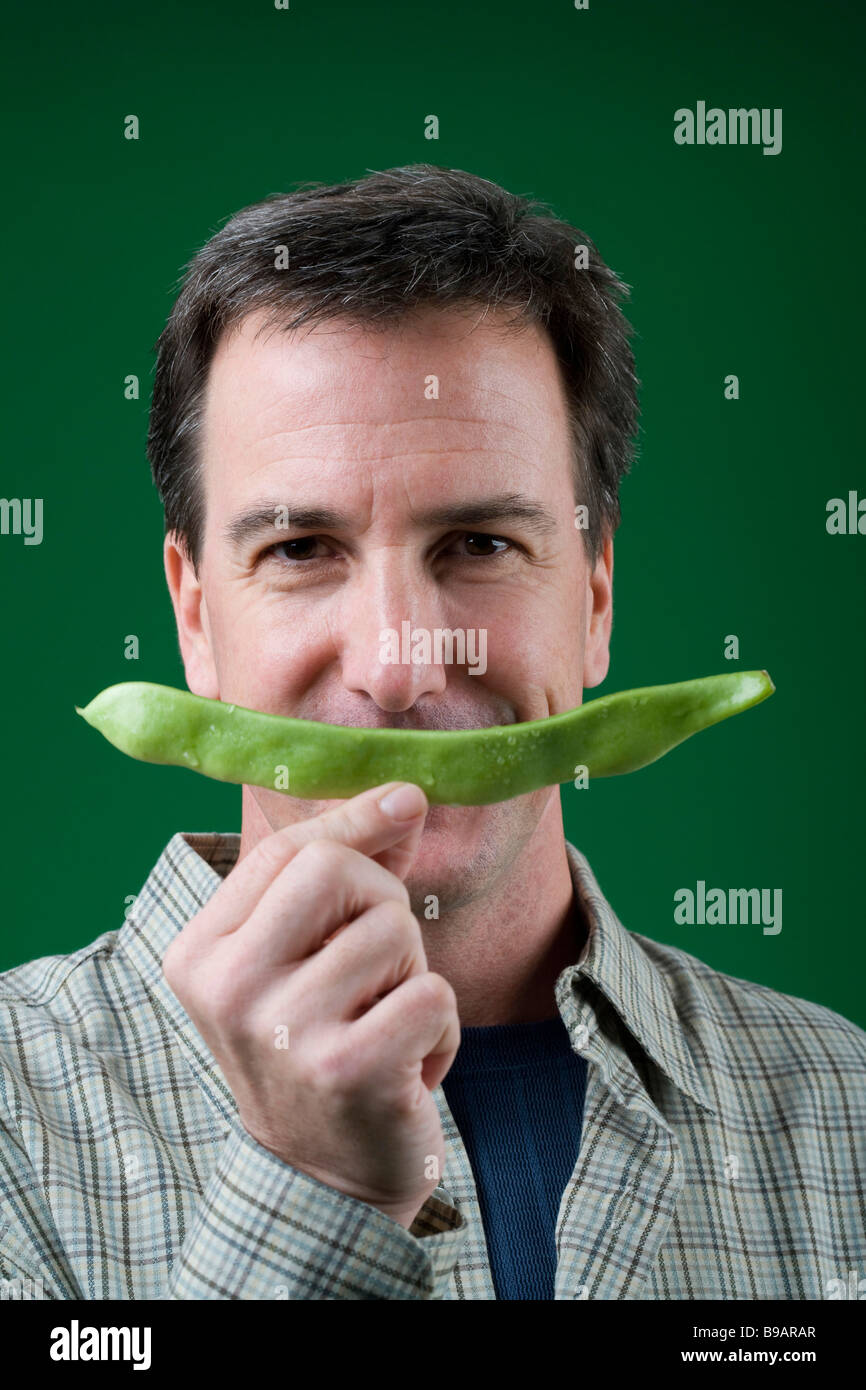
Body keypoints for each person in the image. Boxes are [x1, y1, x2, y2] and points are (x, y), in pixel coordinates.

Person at [1, 165, 863, 1301]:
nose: (400, 667)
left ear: (595, 597)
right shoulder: (18, 1116)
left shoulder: (840, 1114)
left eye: (480, 545)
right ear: (194, 615)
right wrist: (307, 1187)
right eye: (300, 550)